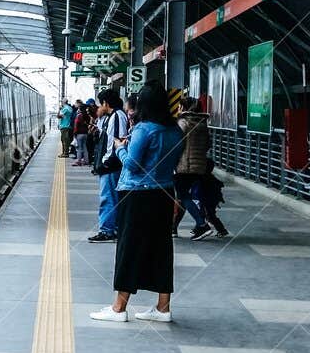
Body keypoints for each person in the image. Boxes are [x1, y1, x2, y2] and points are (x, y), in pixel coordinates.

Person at [91, 86, 186, 323]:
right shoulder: (175, 130)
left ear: (143, 105)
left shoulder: (144, 129)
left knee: (129, 248)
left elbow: (132, 164)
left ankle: (118, 308)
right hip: (164, 193)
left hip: (137, 194)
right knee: (162, 249)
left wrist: (120, 148)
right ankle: (163, 308)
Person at [174, 98, 230, 239]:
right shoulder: (202, 124)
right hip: (199, 167)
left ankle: (201, 224)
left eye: (179, 106)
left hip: (184, 166)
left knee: (182, 195)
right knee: (184, 197)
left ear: (183, 107)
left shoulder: (183, 123)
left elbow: (176, 146)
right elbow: (207, 146)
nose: (178, 109)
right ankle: (175, 227)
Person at [87, 89, 130, 243]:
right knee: (111, 198)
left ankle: (107, 231)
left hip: (111, 166)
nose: (99, 107)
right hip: (110, 164)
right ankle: (113, 229)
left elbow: (116, 141)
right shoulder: (110, 117)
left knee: (108, 198)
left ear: (105, 103)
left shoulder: (117, 116)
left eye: (100, 103)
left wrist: (106, 163)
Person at [71, 99, 95, 165]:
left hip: (79, 134)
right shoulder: (87, 116)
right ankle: (86, 160)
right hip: (85, 133)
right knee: (85, 147)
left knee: (79, 148)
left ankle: (78, 161)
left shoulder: (79, 116)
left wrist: (74, 134)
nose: (78, 110)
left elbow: (76, 126)